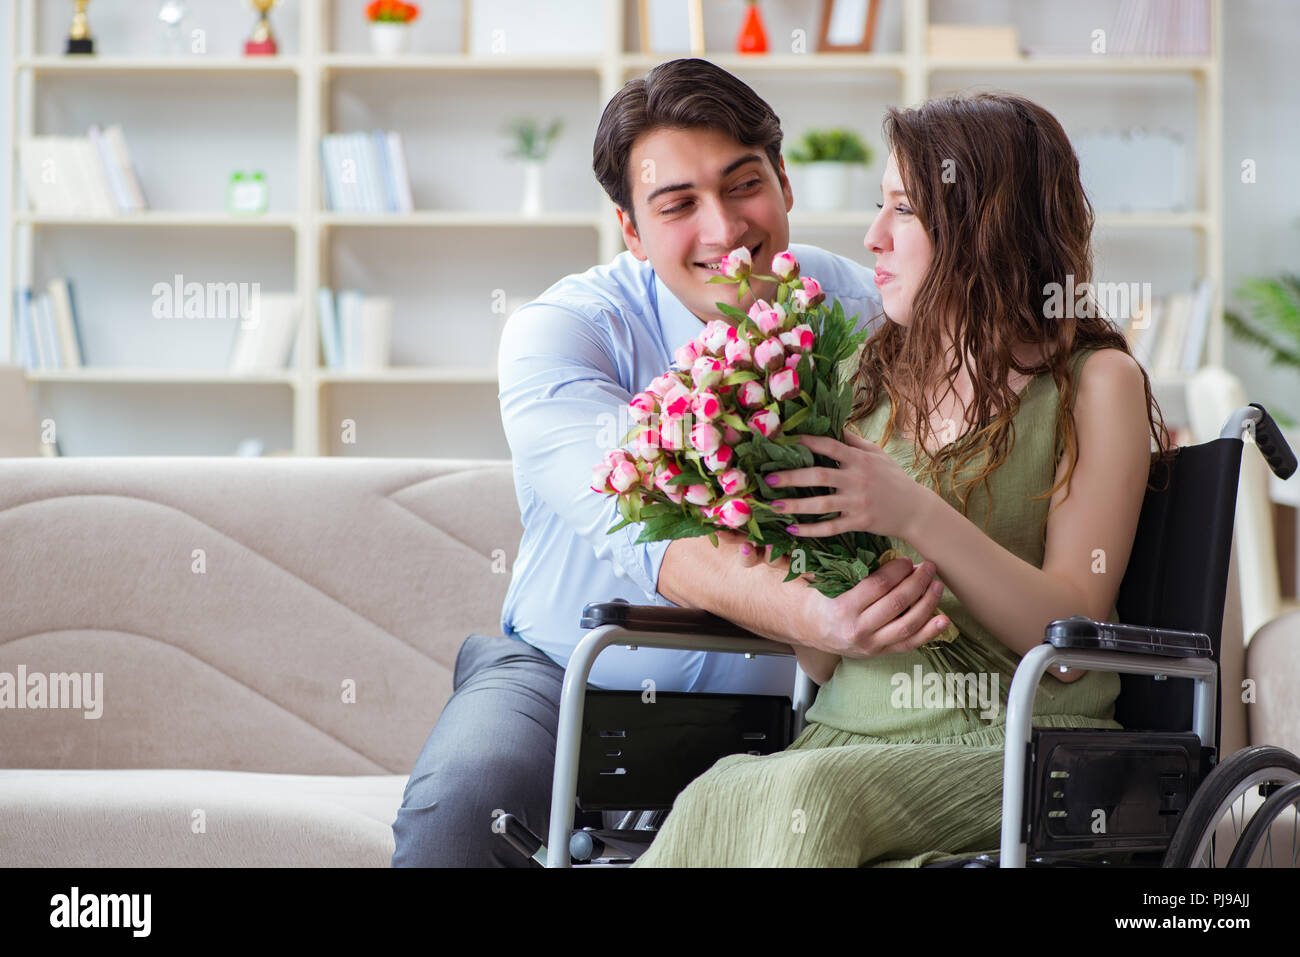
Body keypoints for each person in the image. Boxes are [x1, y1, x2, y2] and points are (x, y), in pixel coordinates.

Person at [391, 58, 954, 867]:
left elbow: (987, 355)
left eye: (742, 184)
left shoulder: (863, 310)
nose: (724, 229)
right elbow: (648, 530)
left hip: (797, 696)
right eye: (678, 204)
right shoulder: (566, 332)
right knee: (462, 805)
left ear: (785, 182)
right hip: (568, 677)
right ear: (630, 226)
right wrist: (816, 615)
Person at [631, 91, 1177, 867]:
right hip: (842, 734)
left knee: (800, 798)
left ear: (984, 228)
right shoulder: (855, 380)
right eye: (879, 206)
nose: (872, 237)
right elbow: (821, 661)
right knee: (718, 790)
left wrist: (913, 511)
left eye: (904, 211)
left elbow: (1070, 639)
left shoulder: (1095, 383)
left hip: (1015, 744)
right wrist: (805, 572)